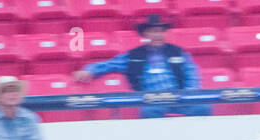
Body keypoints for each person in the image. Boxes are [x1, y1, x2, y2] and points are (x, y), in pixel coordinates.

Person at [73, 14, 210, 119]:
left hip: (179, 96)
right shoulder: (134, 55)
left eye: (161, 31)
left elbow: (191, 72)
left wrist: (190, 92)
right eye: (154, 31)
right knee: (149, 111)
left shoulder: (178, 52)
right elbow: (110, 64)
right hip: (151, 99)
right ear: (146, 34)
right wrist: (90, 70)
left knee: (202, 108)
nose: (158, 35)